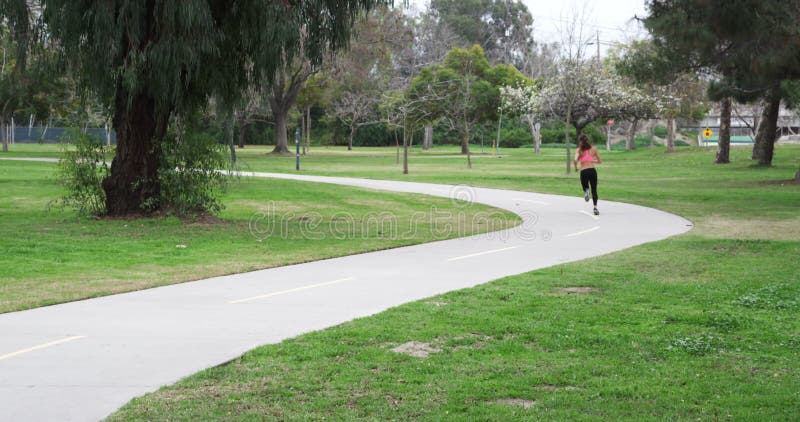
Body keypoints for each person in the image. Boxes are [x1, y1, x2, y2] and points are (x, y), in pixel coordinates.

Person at [574, 134, 602, 215]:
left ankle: (586, 192)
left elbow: (575, 160)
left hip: (584, 171)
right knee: (594, 190)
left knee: (585, 187)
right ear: (588, 140)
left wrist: (576, 168)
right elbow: (600, 161)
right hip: (592, 171)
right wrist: (592, 161)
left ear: (580, 141)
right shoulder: (594, 149)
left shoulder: (578, 150)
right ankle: (595, 208)